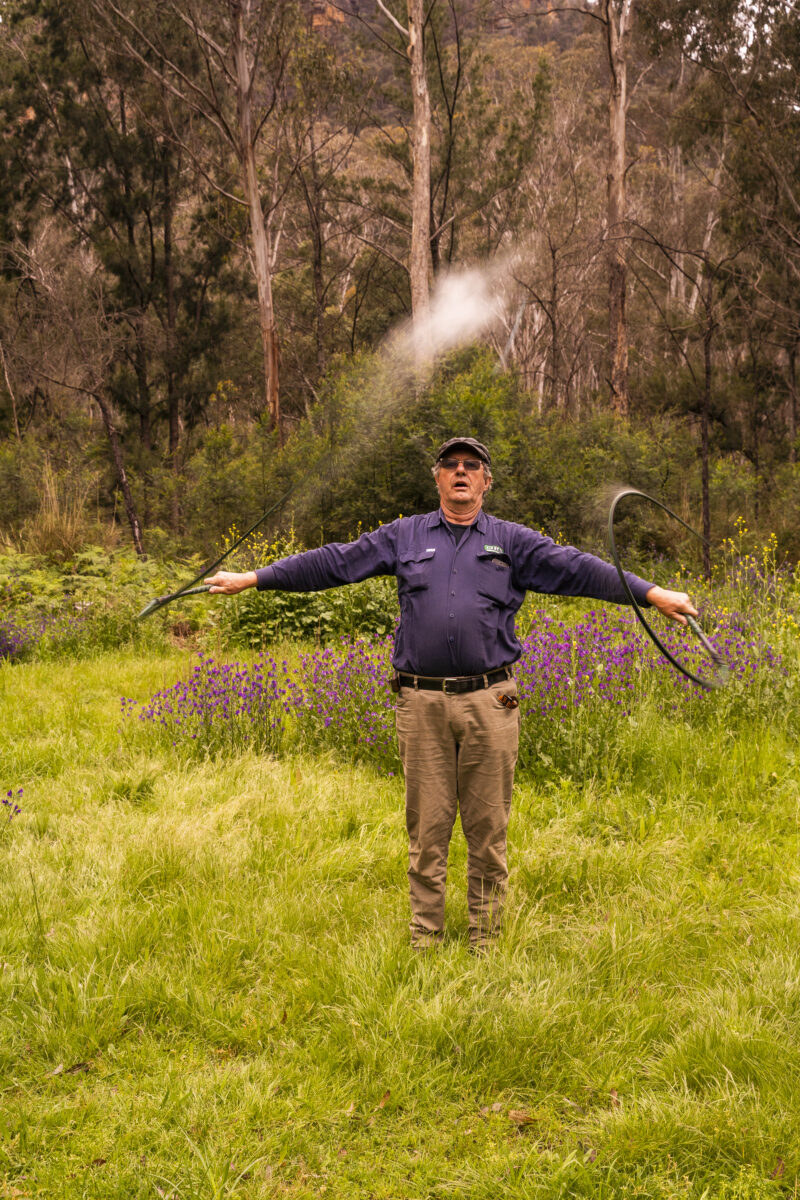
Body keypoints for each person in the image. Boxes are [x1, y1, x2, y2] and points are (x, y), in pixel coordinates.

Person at [206, 437, 697, 951]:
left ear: (486, 481)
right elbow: (334, 562)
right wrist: (253, 578)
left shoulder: (512, 541)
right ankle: (425, 937)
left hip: (492, 701)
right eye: (451, 465)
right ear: (437, 478)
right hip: (420, 704)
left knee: (487, 827)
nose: (461, 472)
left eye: (472, 466)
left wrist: (652, 593)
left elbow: (580, 569)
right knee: (427, 828)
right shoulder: (405, 535)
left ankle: (484, 939)